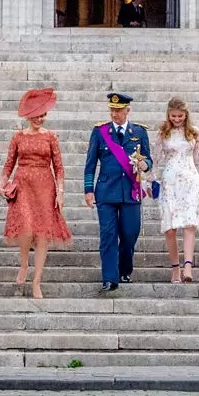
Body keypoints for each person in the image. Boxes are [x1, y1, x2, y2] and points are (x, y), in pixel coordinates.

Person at [0, 88, 71, 299]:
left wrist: (60, 192)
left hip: (45, 188)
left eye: (43, 115)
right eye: (36, 115)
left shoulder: (51, 137)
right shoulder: (18, 137)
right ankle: (23, 264)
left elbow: (59, 167)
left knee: (42, 234)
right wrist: (1, 183)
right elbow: (8, 164)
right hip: (23, 187)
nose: (40, 118)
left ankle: (37, 280)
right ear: (29, 116)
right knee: (27, 227)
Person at [84, 92, 151, 294]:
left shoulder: (139, 132)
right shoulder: (100, 131)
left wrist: (144, 164)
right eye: (113, 110)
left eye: (119, 111)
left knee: (130, 233)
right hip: (106, 191)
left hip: (131, 191)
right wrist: (88, 190)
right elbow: (90, 164)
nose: (115, 114)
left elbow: (149, 159)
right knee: (108, 235)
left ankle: (124, 268)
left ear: (127, 110)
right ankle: (110, 278)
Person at [152, 98, 199, 284]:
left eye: (180, 116)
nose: (177, 119)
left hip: (190, 180)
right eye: (173, 116)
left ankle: (188, 266)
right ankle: (175, 267)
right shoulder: (163, 133)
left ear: (186, 115)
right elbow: (156, 159)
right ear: (168, 115)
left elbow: (198, 159)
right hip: (170, 181)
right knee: (170, 227)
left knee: (189, 224)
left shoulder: (193, 133)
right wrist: (150, 179)